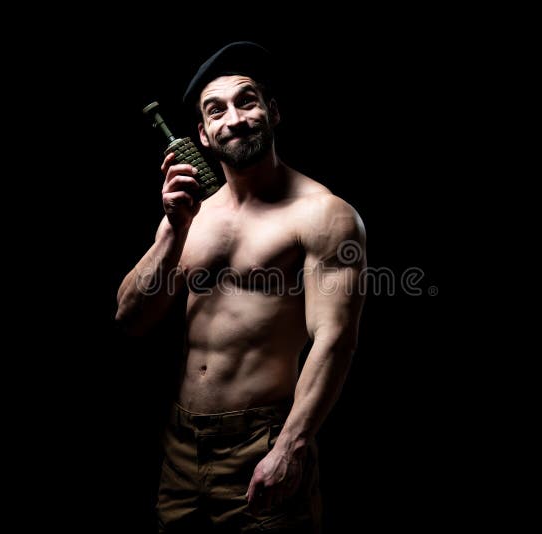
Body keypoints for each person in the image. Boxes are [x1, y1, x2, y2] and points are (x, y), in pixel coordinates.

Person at [116, 41, 366, 533]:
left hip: (263, 441)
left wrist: (290, 447)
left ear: (272, 111)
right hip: (180, 445)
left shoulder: (323, 214)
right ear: (203, 135)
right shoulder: (192, 213)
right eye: (216, 111)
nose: (234, 119)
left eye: (246, 102)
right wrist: (172, 231)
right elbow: (130, 319)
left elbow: (335, 339)